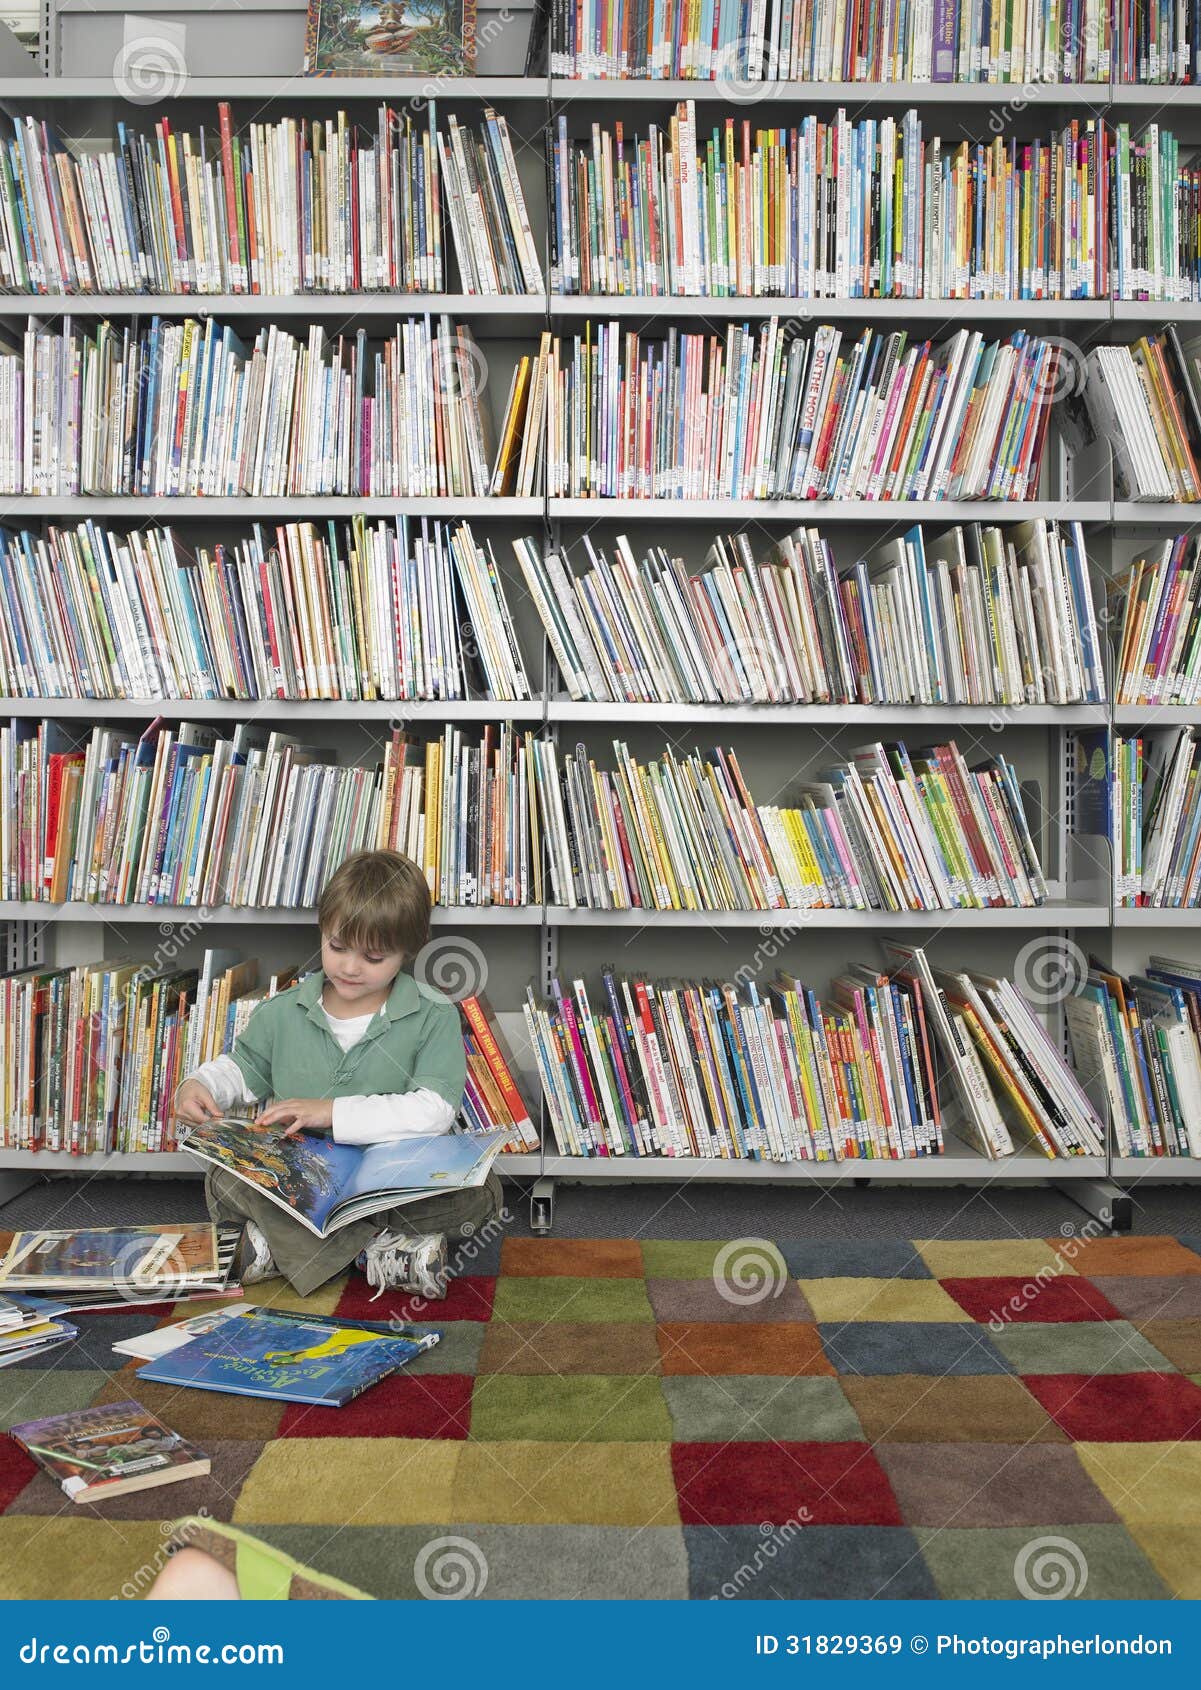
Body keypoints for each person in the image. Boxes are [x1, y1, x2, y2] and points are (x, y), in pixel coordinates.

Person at [174, 849, 502, 1299]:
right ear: (322, 932)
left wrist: (331, 1112)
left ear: (408, 949)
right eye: (338, 947)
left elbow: (435, 1111)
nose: (350, 967)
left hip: (392, 1180)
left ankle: (281, 1250)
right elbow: (243, 1068)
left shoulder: (433, 1014)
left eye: (373, 957)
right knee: (224, 1177)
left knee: (481, 1196)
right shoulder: (284, 1010)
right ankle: (375, 1254)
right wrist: (201, 1084)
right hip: (305, 1178)